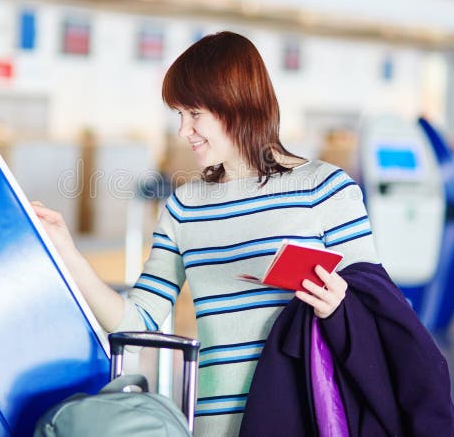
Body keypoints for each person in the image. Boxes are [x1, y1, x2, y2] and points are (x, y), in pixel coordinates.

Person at [33, 31, 379, 436]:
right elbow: (137, 320)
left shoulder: (326, 190)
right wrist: (67, 252)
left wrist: (337, 304)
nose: (184, 131)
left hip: (305, 413)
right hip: (215, 425)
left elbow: (377, 312)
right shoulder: (185, 207)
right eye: (179, 115)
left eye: (195, 114)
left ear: (238, 105)